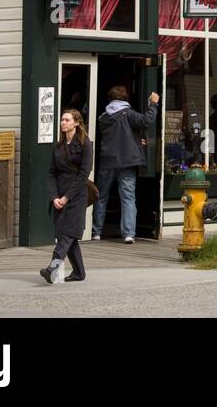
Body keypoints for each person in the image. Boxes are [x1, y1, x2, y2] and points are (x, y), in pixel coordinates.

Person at [92, 85, 159, 244]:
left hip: (107, 160)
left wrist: (136, 138)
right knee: (127, 197)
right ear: (125, 99)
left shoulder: (103, 117)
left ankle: (96, 232)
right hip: (127, 161)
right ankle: (128, 233)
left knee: (101, 197)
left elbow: (119, 134)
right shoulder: (128, 114)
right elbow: (146, 121)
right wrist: (153, 104)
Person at [43, 110, 92, 284]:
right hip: (59, 194)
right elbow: (51, 173)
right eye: (62, 120)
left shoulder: (85, 144)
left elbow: (84, 174)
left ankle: (53, 268)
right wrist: (54, 197)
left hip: (76, 195)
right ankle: (79, 272)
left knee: (67, 235)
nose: (63, 123)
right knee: (68, 236)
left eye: (67, 120)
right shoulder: (58, 146)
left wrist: (66, 197)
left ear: (76, 123)